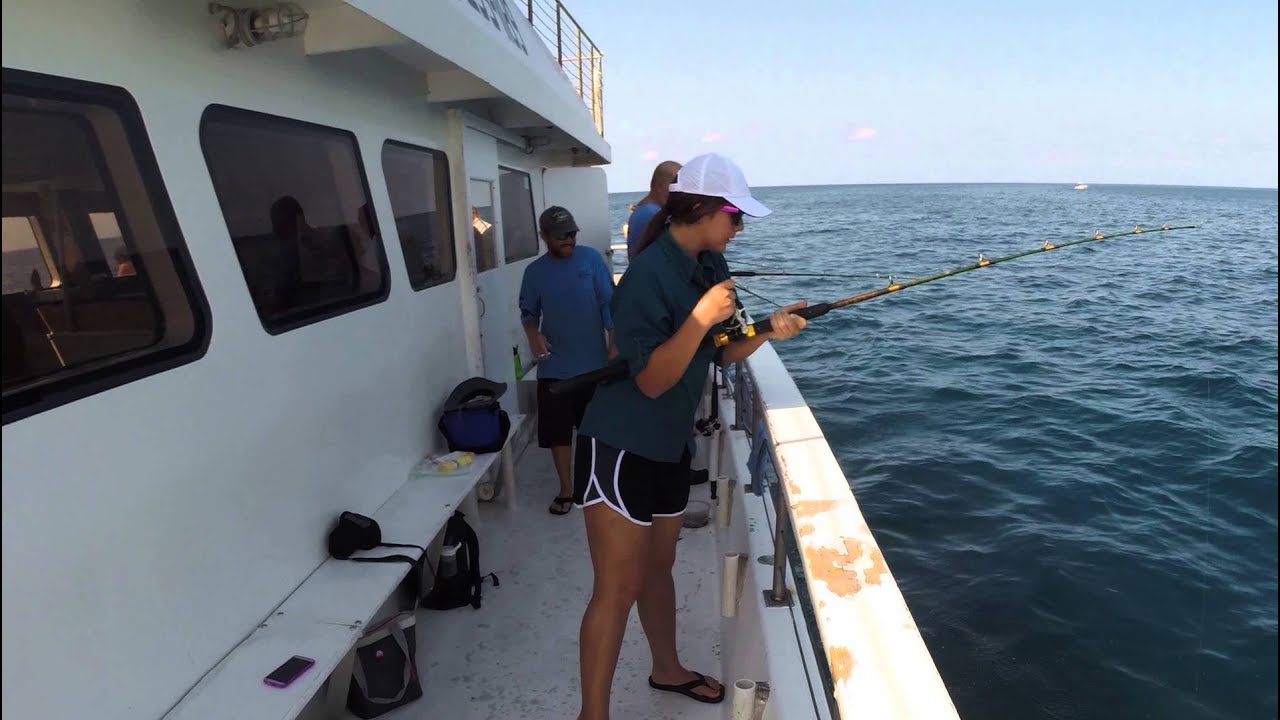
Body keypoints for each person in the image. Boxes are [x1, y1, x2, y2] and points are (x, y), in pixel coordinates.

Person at [571, 153, 807, 718]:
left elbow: (722, 352)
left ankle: (666, 667)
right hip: (620, 446)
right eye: (735, 216)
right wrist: (699, 318)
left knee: (658, 567)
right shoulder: (647, 277)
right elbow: (651, 380)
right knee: (616, 588)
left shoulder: (709, 267)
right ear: (702, 210)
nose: (741, 227)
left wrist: (771, 330)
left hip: (671, 445)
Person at [519, 206, 616, 516]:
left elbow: (610, 309)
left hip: (594, 366)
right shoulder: (534, 272)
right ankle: (566, 488)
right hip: (555, 367)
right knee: (559, 435)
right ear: (544, 237)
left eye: (572, 234)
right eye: (561, 236)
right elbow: (529, 314)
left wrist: (613, 355)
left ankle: (599, 485)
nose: (569, 240)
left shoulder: (591, 261)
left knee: (597, 431)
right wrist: (533, 335)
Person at [625, 160, 681, 259]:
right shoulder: (651, 215)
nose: (679, 193)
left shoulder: (642, 211)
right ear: (660, 187)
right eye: (675, 187)